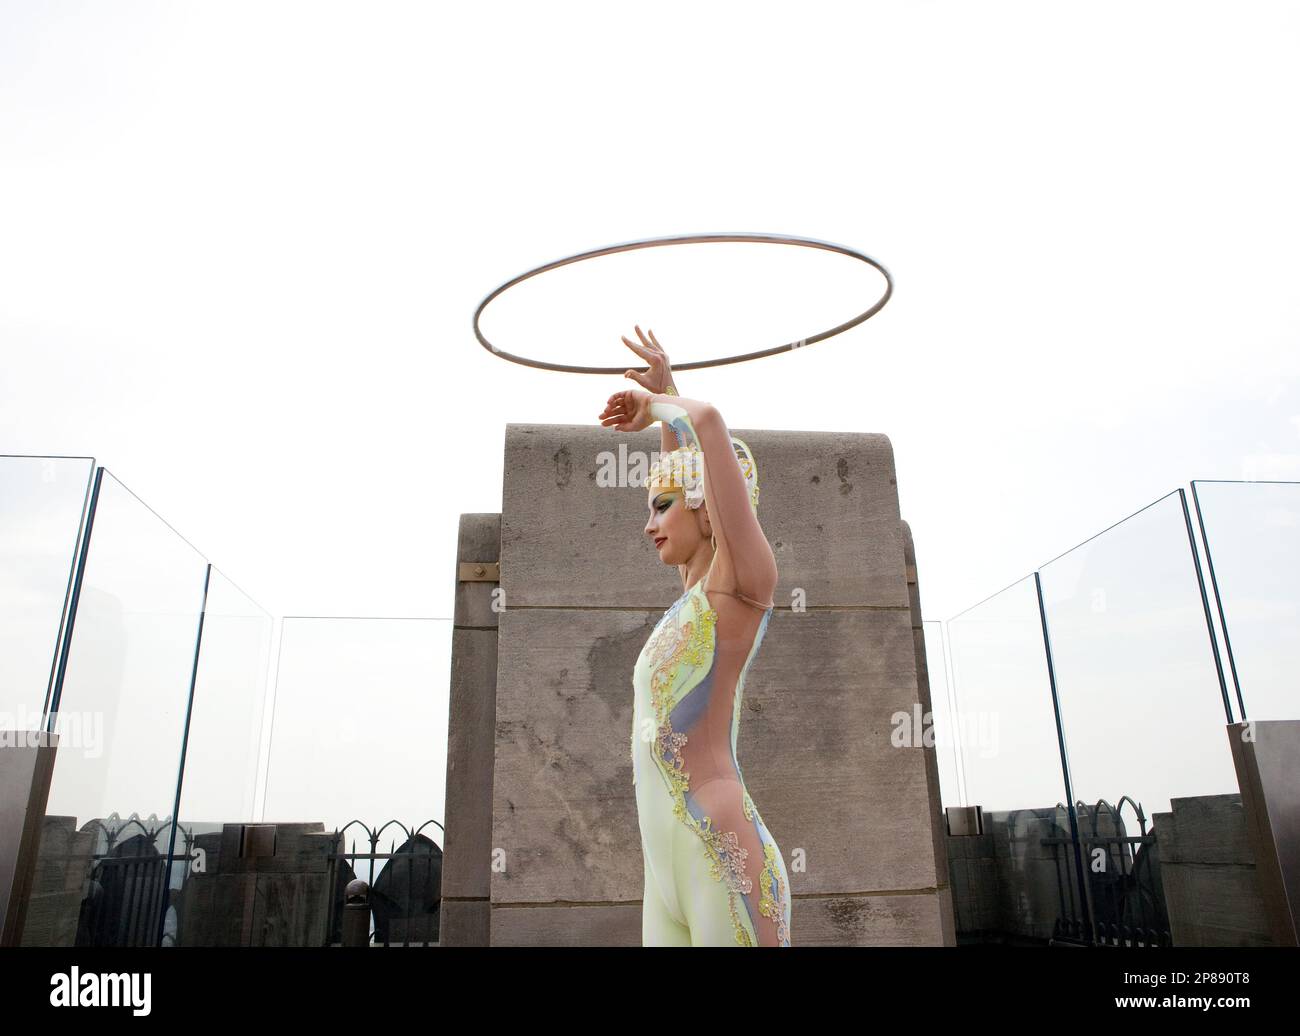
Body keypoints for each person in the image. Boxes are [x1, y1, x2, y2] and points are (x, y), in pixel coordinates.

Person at [597, 325, 792, 947]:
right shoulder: (690, 596)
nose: (647, 523)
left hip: (722, 855)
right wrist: (663, 396)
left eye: (662, 506)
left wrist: (663, 406)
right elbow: (692, 451)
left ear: (707, 505)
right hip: (664, 870)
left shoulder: (741, 592)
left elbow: (708, 422)